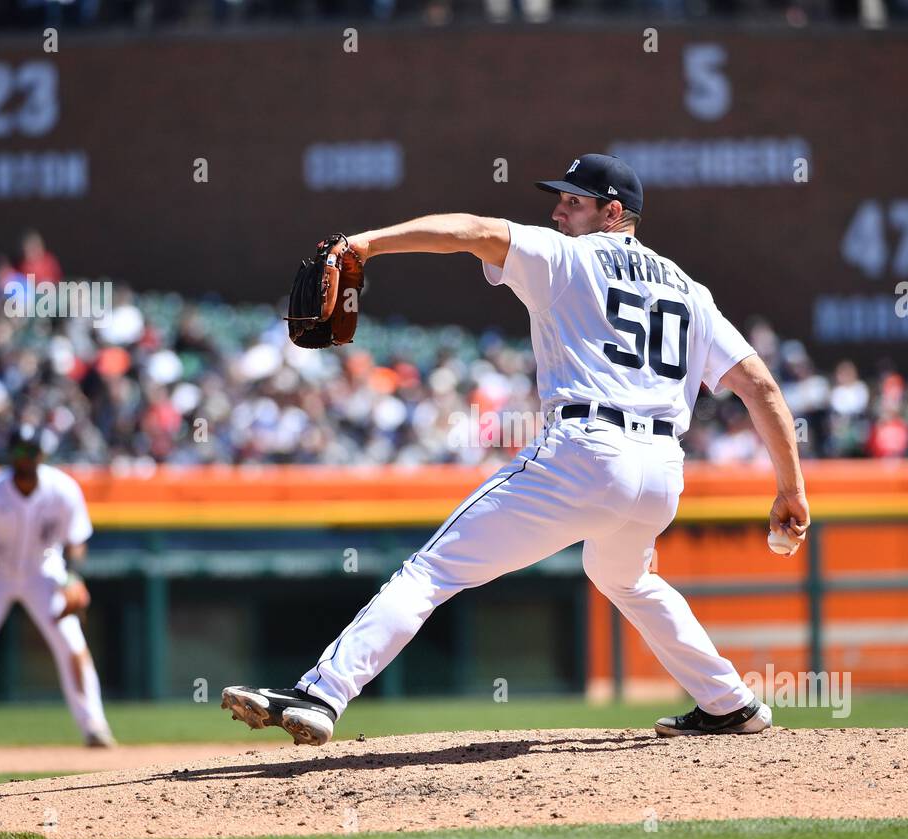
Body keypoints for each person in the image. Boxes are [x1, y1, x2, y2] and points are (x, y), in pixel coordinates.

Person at [223, 153, 810, 744]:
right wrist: (790, 489)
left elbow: (472, 232)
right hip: (661, 470)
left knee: (432, 569)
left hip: (587, 450)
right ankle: (728, 703)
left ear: (613, 212)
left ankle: (321, 694)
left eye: (573, 201)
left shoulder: (566, 256)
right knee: (622, 575)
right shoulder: (692, 291)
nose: (557, 211)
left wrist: (366, 244)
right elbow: (758, 386)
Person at [0, 423, 113, 750]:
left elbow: (76, 540)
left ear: (41, 454)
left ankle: (93, 725)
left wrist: (72, 577)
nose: (24, 457)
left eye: (30, 451)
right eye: (18, 451)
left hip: (45, 571)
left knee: (72, 646)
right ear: (10, 454)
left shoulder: (63, 489)